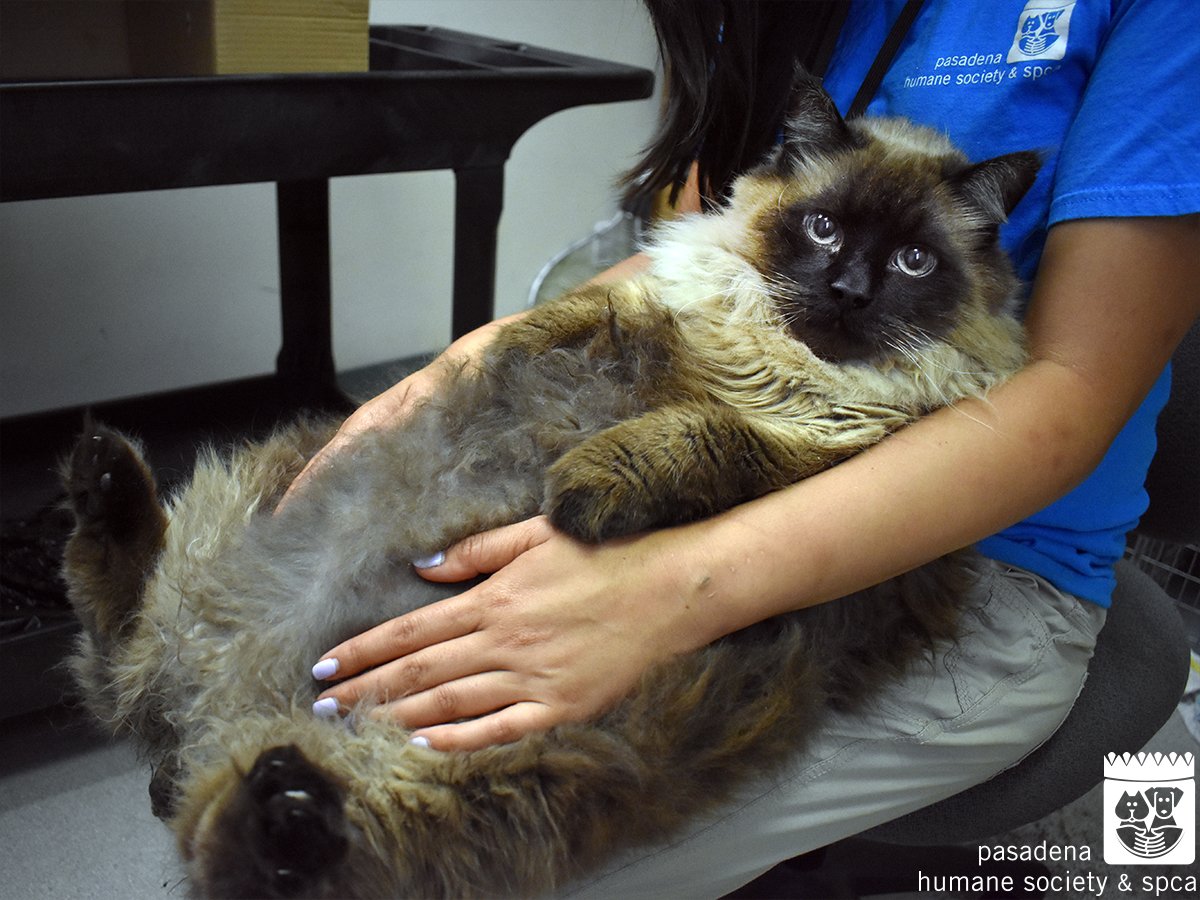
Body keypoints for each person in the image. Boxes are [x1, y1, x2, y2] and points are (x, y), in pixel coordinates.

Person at [284, 1, 1200, 894]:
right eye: (827, 232)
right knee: (338, 627)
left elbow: (1072, 389)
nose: (850, 285)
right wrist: (474, 353)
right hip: (695, 440)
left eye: (910, 262)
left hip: (958, 552)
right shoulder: (766, 17)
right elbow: (708, 240)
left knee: (428, 853)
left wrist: (669, 589)